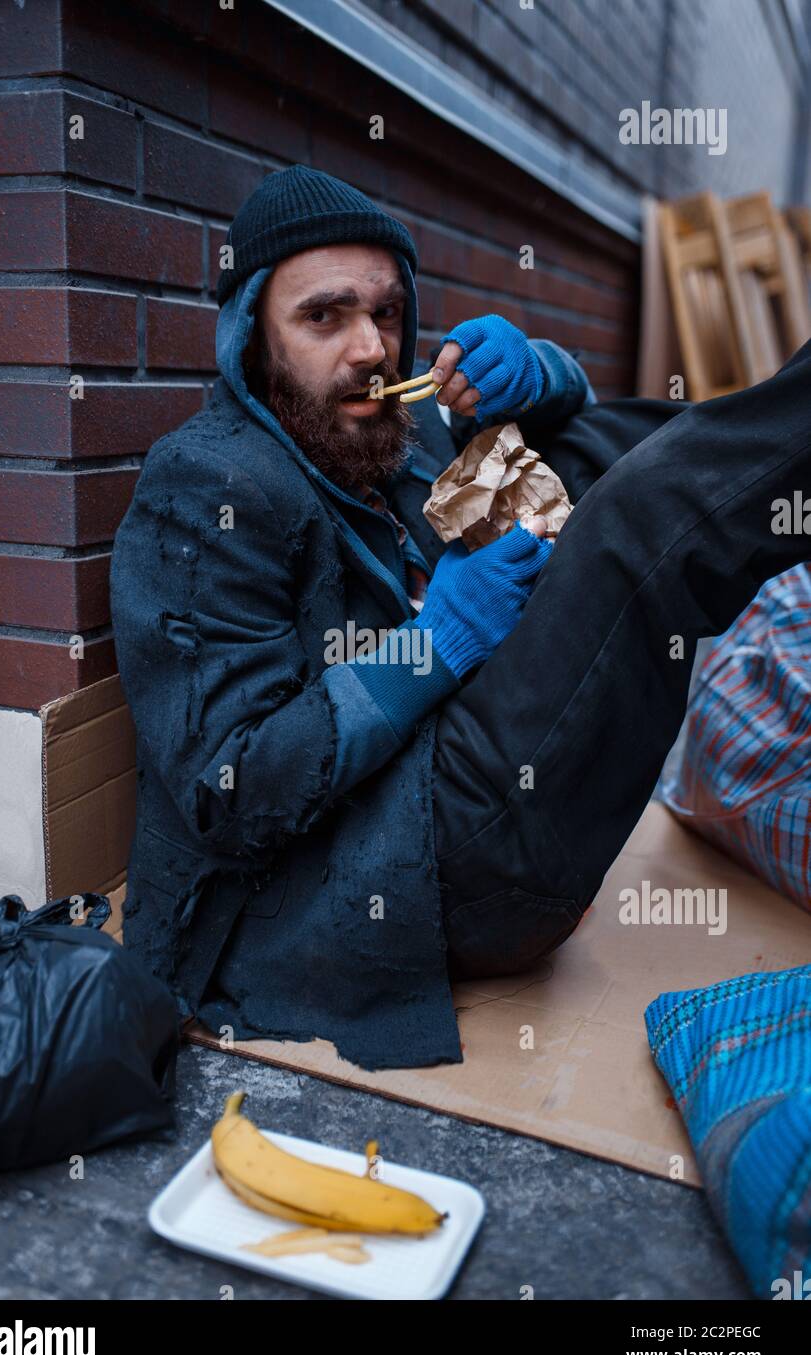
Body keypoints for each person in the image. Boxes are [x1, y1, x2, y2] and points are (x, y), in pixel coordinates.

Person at [109, 165, 811, 1071]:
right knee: (648, 514)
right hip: (398, 873)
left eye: (387, 313)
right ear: (252, 341)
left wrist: (540, 373)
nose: (371, 349)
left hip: (461, 774)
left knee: (633, 441)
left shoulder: (377, 427)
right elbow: (228, 788)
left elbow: (566, 426)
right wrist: (432, 647)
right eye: (324, 317)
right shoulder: (207, 488)